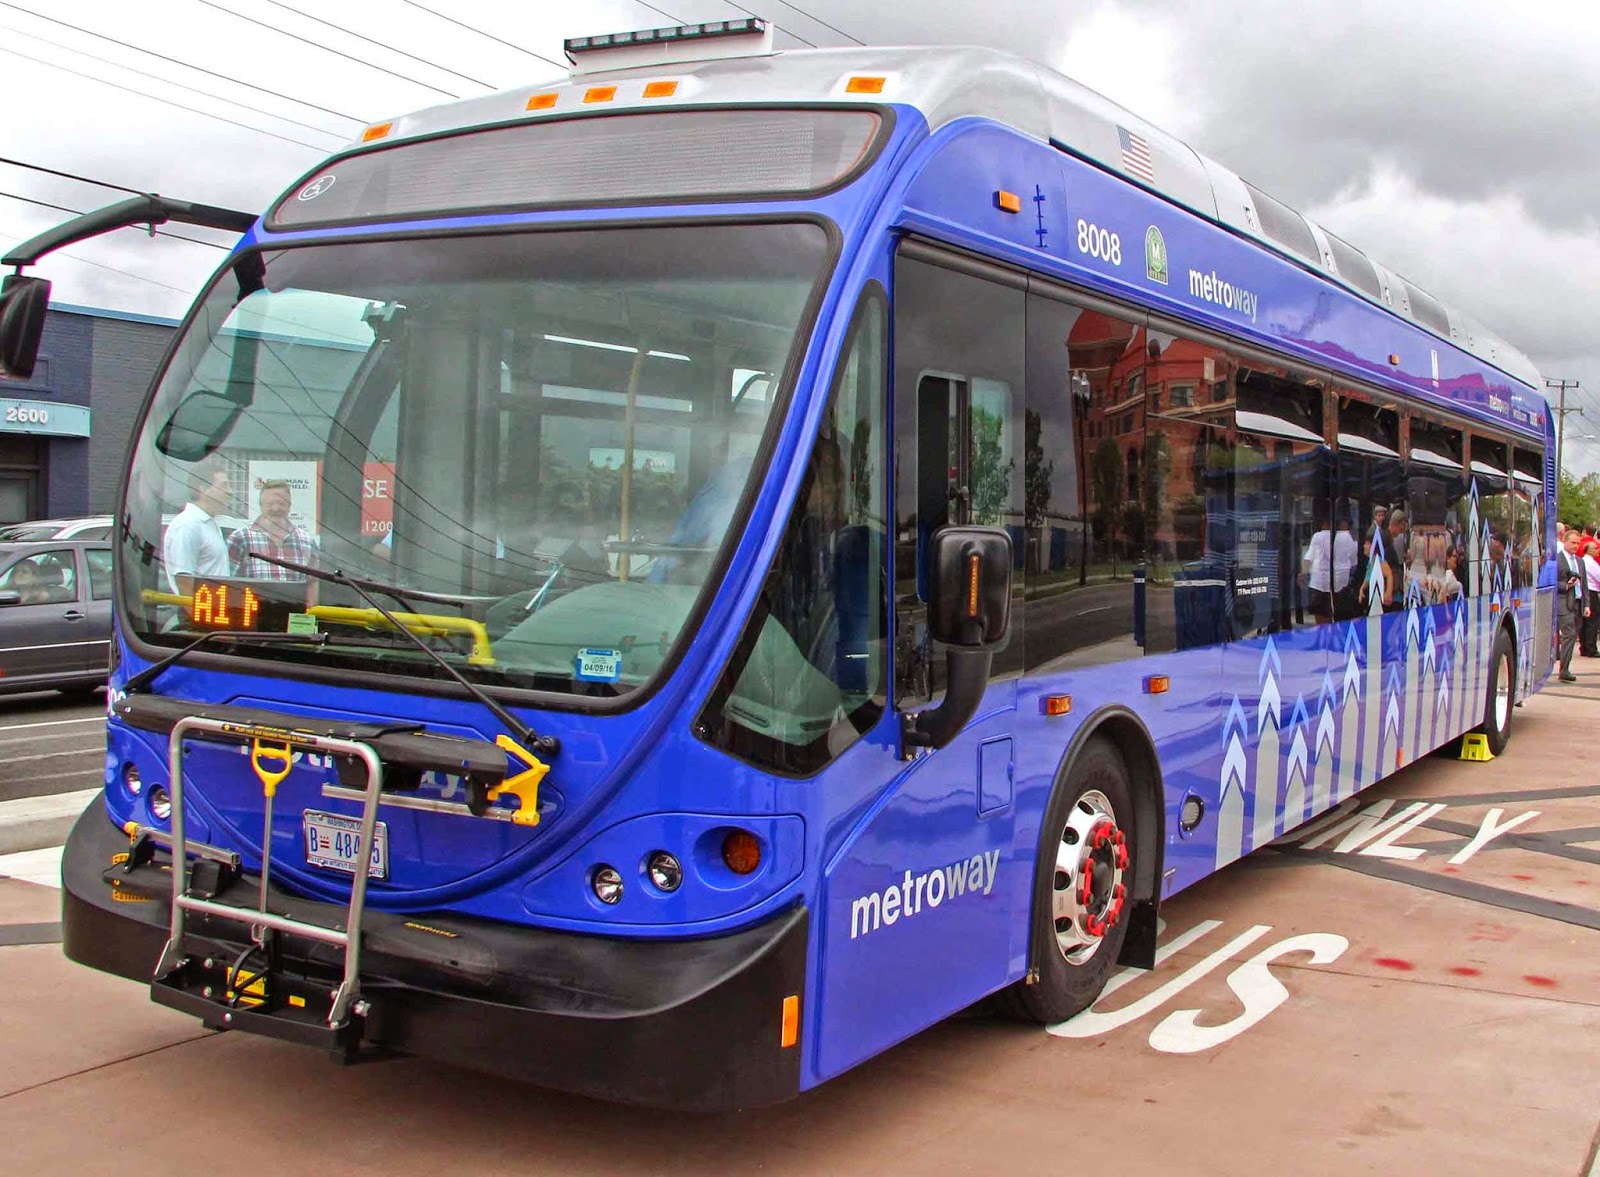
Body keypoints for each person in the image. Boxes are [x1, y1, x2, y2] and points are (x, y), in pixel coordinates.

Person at [163, 458, 232, 592]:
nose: (230, 492)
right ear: (203, 489)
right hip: (197, 612)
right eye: (224, 485)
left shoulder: (209, 524)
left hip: (215, 610)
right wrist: (195, 613)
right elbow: (183, 581)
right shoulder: (188, 525)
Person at [228, 478, 314, 580]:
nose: (275, 508)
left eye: (281, 504)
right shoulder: (240, 539)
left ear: (289, 506)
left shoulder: (307, 542)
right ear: (261, 506)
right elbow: (227, 582)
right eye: (270, 504)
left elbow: (314, 585)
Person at [1556, 528, 1588, 682]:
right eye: (1573, 542)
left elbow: (1584, 585)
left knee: (1573, 634)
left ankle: (1565, 667)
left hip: (1578, 602)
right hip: (1563, 603)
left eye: (1578, 543)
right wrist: (1566, 585)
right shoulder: (1557, 560)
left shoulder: (1580, 561)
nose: (1576, 546)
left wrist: (1587, 604)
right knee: (1569, 634)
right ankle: (1564, 669)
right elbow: (1550, 583)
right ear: (1564, 542)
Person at [1582, 532, 1600, 659]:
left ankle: (1585, 646)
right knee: (1592, 621)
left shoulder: (1585, 561)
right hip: (1592, 591)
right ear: (1589, 550)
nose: (1598, 550)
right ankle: (1590, 648)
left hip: (1587, 591)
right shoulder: (1590, 562)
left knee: (1586, 621)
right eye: (1595, 548)